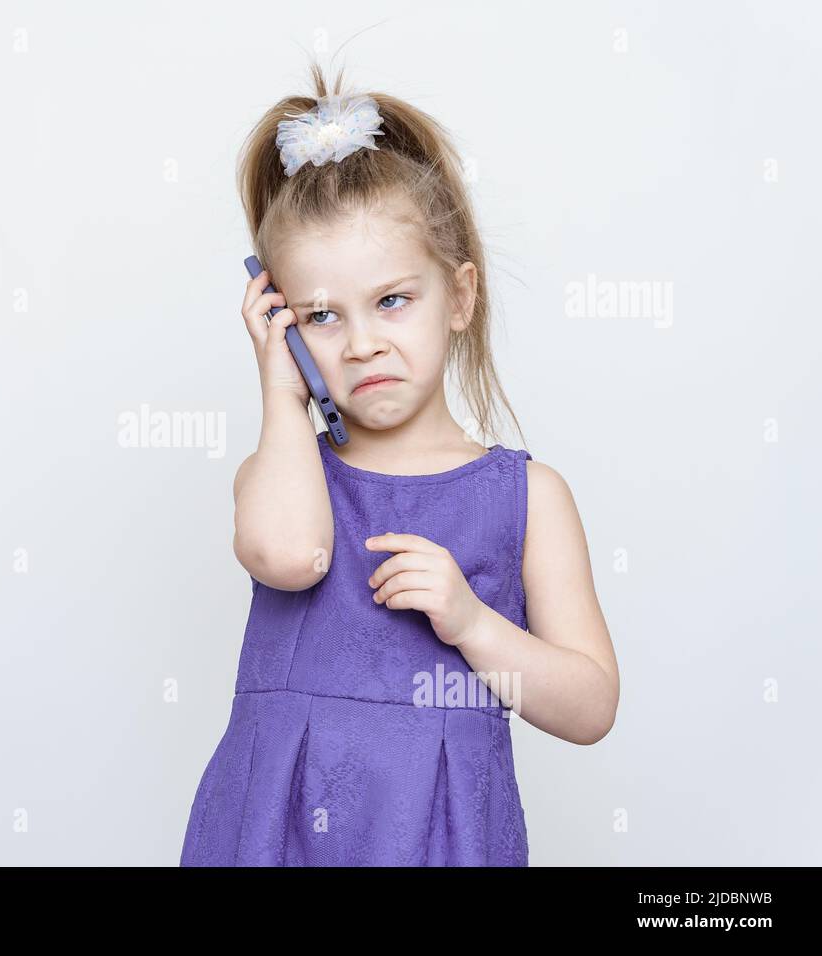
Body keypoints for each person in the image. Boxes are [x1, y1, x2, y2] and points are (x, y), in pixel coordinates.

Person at [180, 63, 619, 866]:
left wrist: (475, 625)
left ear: (458, 297)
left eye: (392, 300)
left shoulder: (528, 497)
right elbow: (287, 557)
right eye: (319, 315)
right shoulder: (281, 477)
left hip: (438, 839)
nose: (361, 342)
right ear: (281, 322)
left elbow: (590, 707)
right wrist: (283, 392)